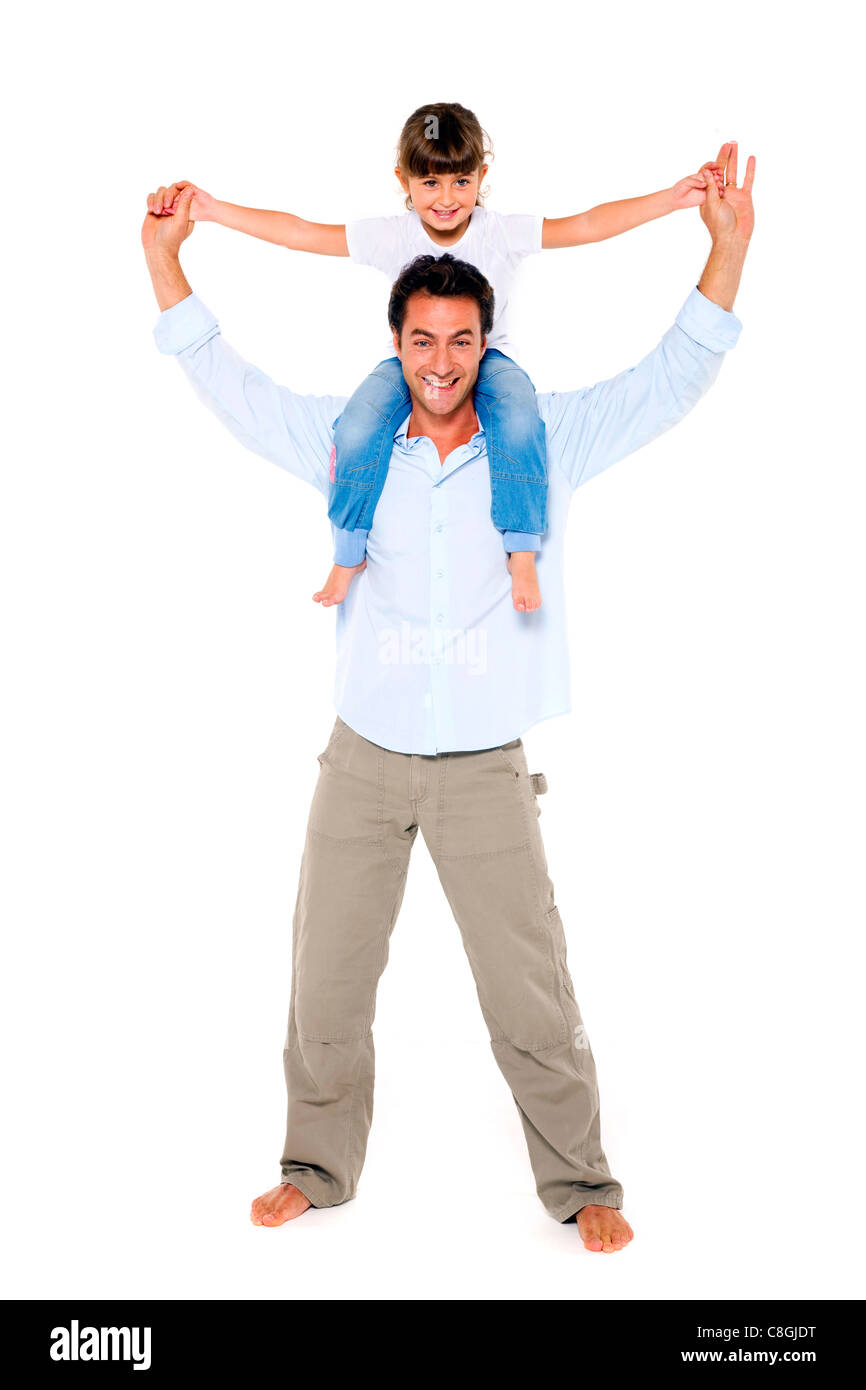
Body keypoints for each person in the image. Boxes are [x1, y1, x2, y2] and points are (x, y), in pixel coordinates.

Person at [141, 141, 755, 1252]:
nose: (439, 360)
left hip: (481, 768)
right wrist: (167, 263)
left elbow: (666, 380)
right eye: (420, 340)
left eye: (460, 341)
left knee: (529, 993)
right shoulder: (350, 447)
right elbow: (231, 388)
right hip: (361, 760)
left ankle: (579, 1181)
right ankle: (314, 1167)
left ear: (486, 344)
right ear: (395, 344)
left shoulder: (540, 443)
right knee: (323, 982)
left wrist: (724, 249)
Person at [147, 102, 728, 614]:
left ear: (481, 177)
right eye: (430, 184)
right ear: (403, 180)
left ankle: (521, 545)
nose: (446, 200)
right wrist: (215, 211)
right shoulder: (390, 237)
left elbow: (586, 225)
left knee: (522, 423)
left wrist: (670, 200)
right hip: (412, 370)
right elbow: (302, 233)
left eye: (460, 182)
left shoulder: (499, 231)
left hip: (489, 362)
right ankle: (348, 550)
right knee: (353, 427)